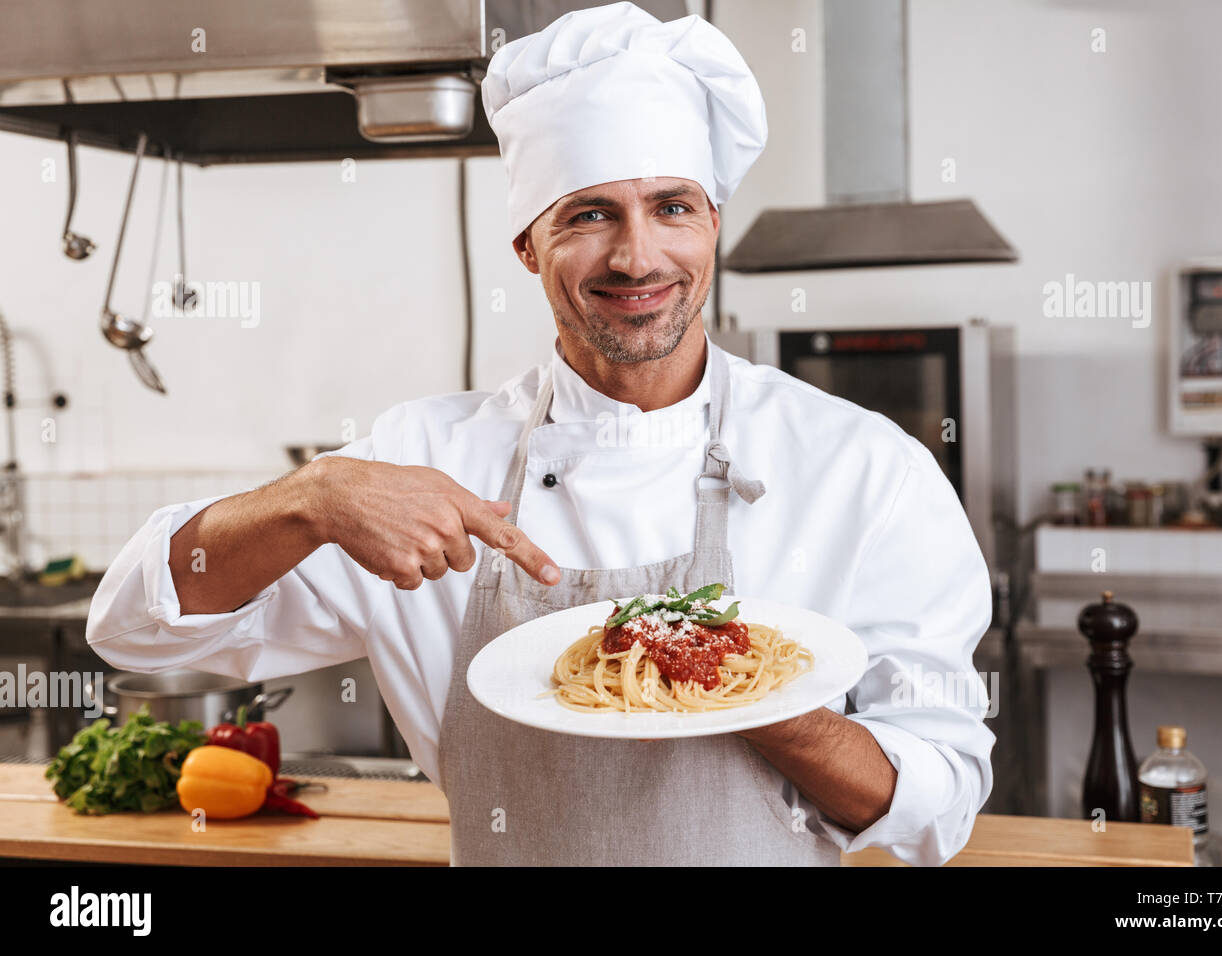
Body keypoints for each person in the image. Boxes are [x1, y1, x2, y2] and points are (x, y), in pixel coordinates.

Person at [86, 1, 994, 866]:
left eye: (672, 206)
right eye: (589, 214)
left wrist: (749, 691)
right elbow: (135, 631)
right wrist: (310, 501)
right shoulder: (426, 459)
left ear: (714, 222)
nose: (638, 257)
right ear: (527, 242)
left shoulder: (864, 468)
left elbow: (938, 807)